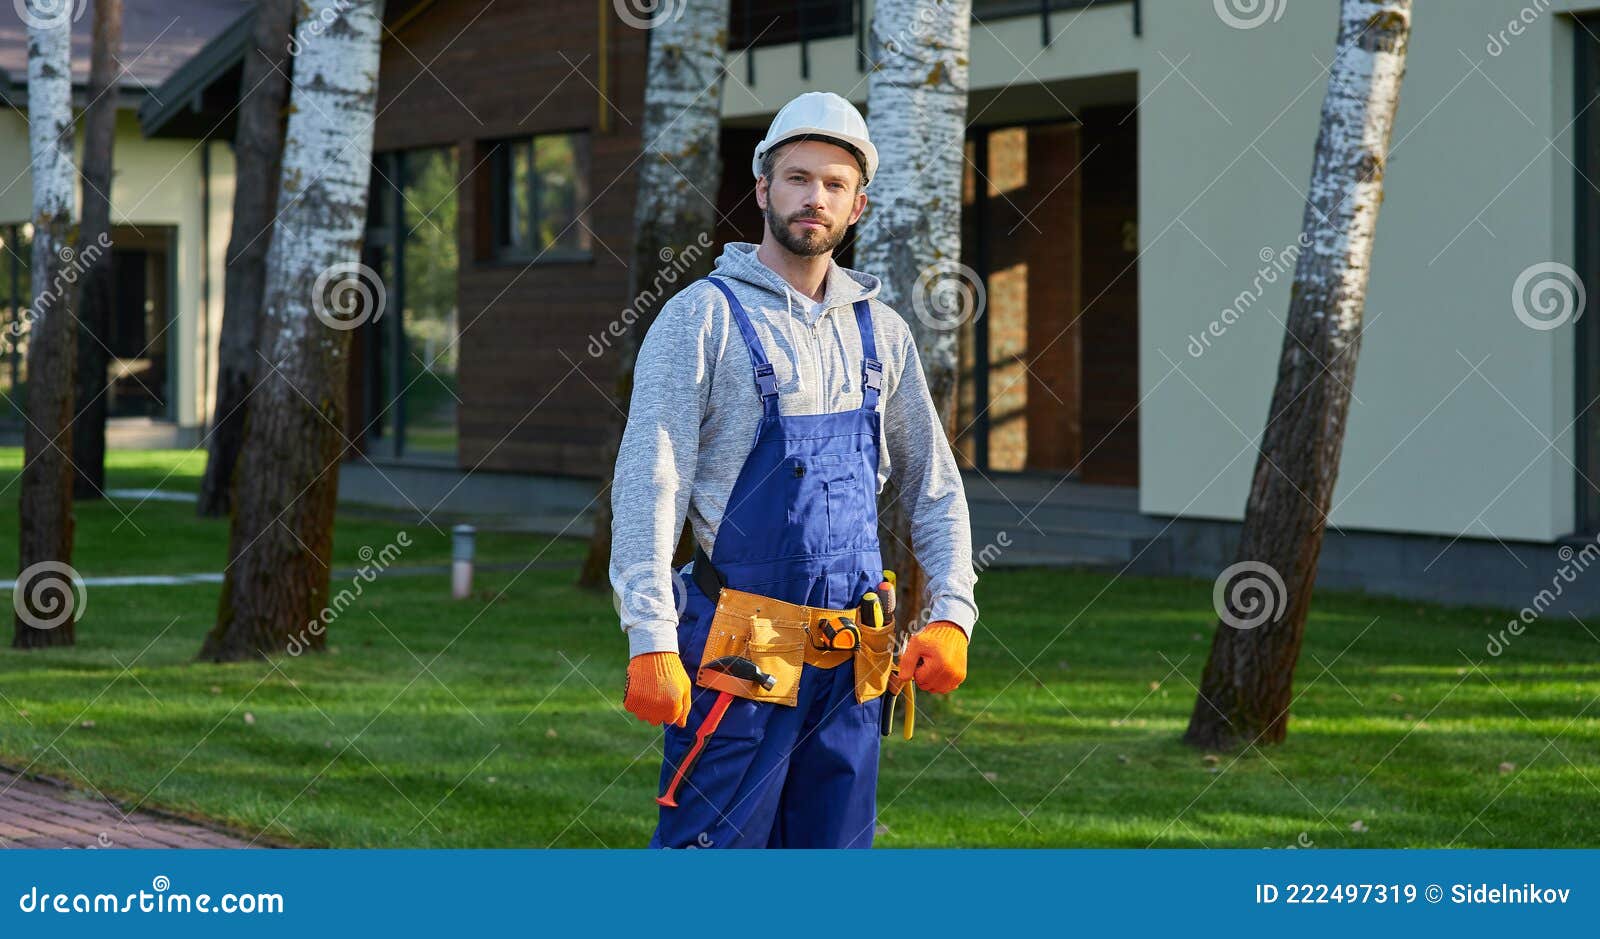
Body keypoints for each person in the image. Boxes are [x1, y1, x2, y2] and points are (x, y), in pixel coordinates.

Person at [610, 91, 979, 848]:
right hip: (743, 647)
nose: (815, 197)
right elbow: (650, 484)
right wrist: (648, 635)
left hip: (854, 660)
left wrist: (951, 613)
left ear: (859, 204)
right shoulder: (701, 318)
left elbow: (933, 485)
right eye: (798, 178)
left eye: (834, 184)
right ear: (762, 190)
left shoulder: (883, 331)